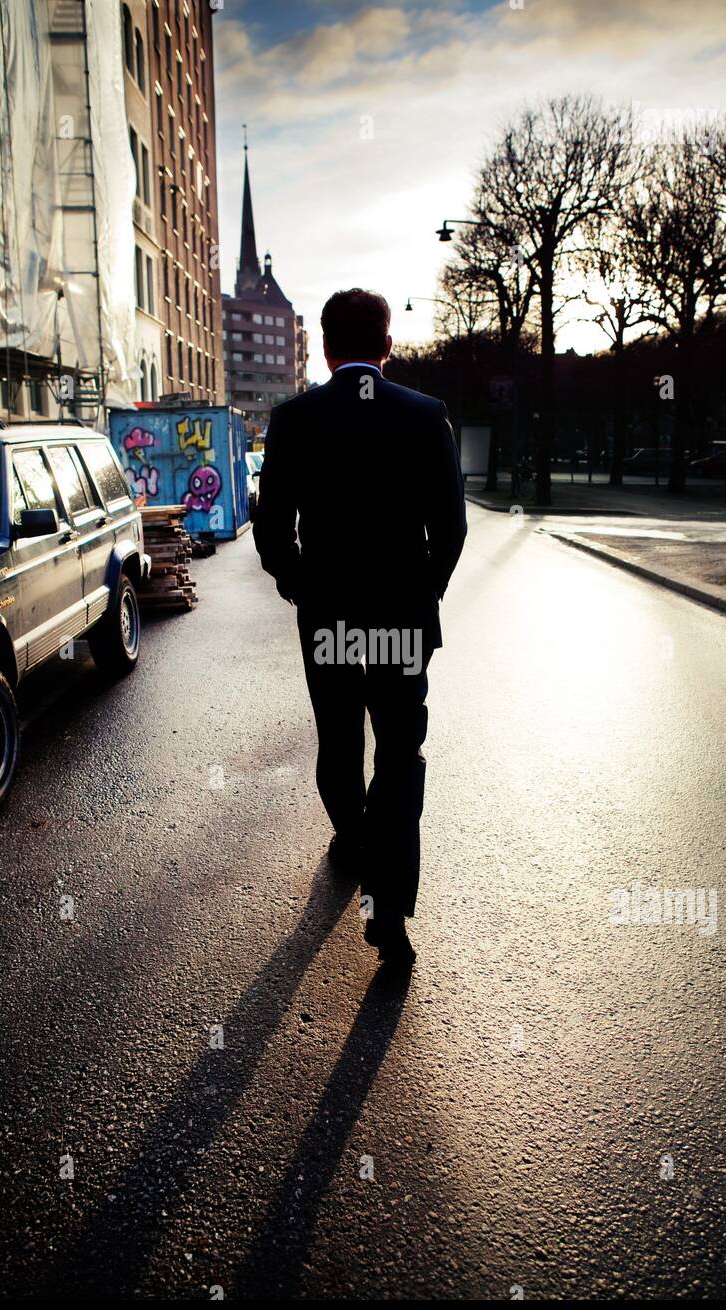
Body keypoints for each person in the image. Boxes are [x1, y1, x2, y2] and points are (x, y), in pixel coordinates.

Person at [253, 288, 466, 968]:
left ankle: (354, 837)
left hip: (329, 622)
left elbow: (270, 527)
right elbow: (452, 528)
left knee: (340, 745)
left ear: (324, 346)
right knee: (400, 758)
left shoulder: (292, 420)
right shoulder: (426, 416)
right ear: (387, 346)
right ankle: (391, 912)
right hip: (402, 621)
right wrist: (423, 590)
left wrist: (300, 586)